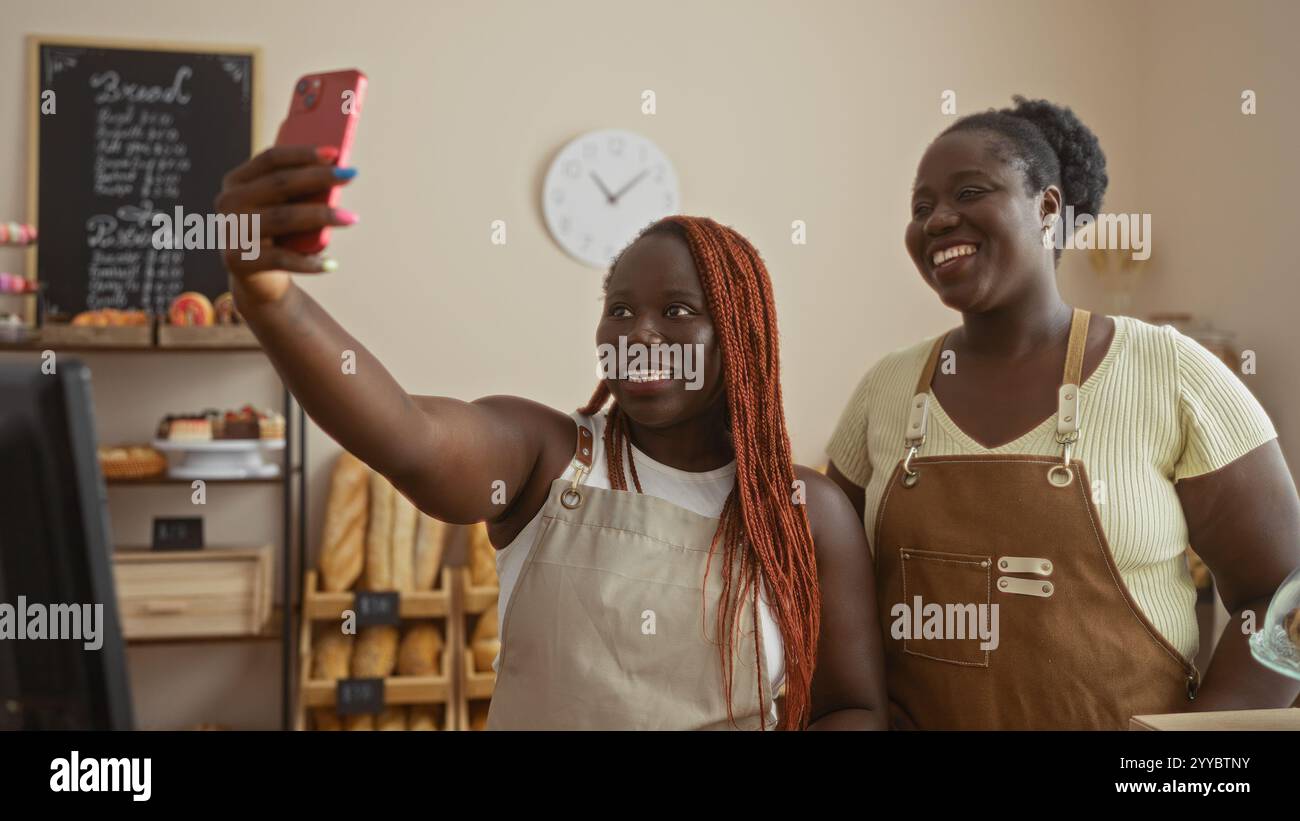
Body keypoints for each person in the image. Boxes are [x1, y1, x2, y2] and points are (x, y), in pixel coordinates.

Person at [215, 149, 886, 729]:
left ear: (745, 337)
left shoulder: (807, 511)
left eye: (677, 311)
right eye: (619, 309)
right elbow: (409, 438)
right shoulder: (546, 457)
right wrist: (269, 295)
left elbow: (849, 707)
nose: (637, 334)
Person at [825, 96, 1300, 730]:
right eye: (920, 207)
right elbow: (823, 596)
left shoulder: (1171, 372)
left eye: (969, 192)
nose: (938, 220)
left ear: (1049, 209)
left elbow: (1282, 599)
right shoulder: (884, 391)